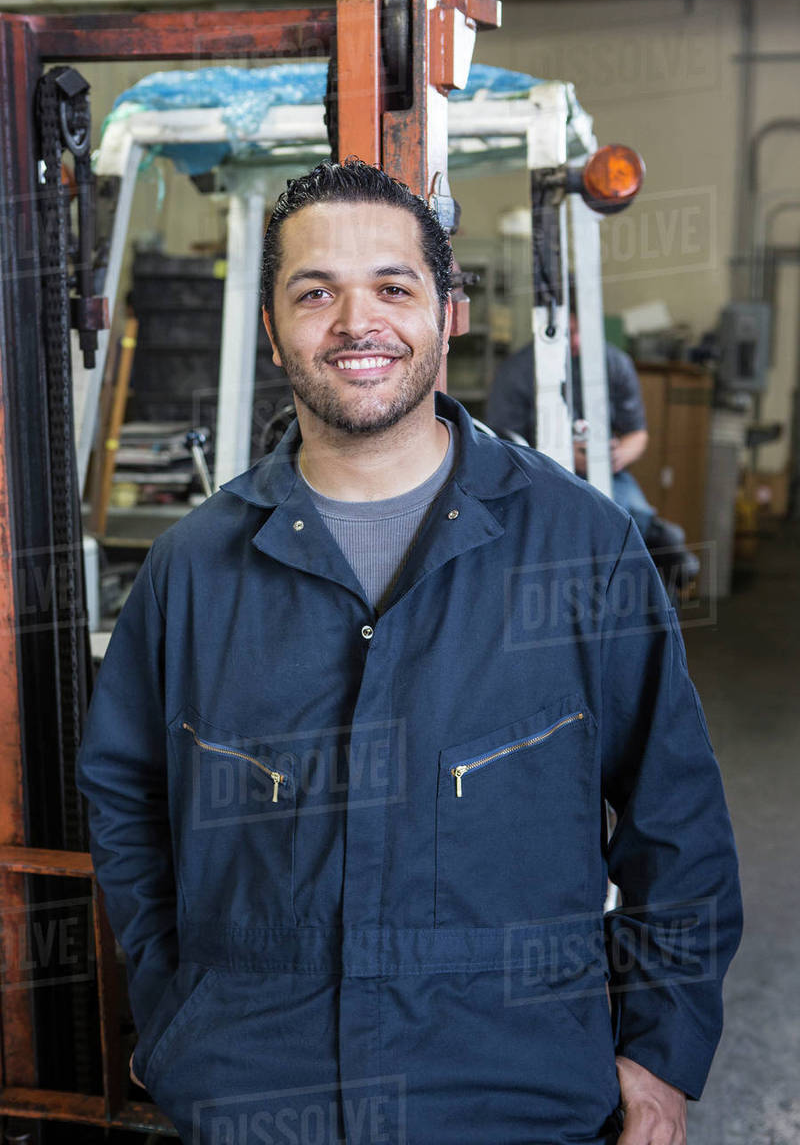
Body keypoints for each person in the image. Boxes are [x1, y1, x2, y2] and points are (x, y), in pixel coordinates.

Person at [75, 160, 742, 1145]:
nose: (358, 323)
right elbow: (126, 796)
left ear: (447, 313)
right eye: (316, 293)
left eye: (392, 288)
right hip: (258, 1096)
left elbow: (675, 817)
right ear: (272, 329)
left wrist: (659, 1050)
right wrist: (179, 1010)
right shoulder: (193, 571)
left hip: (510, 1098)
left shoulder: (579, 548)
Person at [485, 298, 656, 539]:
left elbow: (637, 433)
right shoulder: (515, 372)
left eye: (584, 332)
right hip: (538, 476)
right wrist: (560, 455)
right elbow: (500, 447)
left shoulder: (616, 363)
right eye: (567, 332)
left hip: (608, 475)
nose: (576, 341)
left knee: (638, 520)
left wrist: (616, 456)